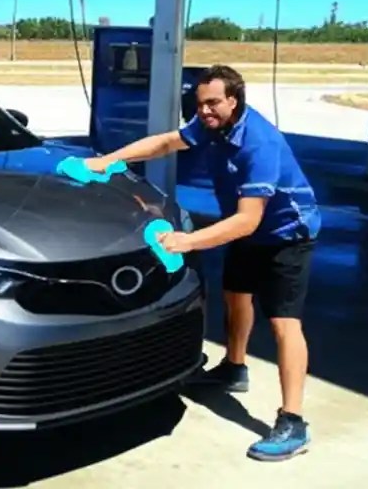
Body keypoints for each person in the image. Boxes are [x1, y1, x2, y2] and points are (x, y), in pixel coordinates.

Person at [85, 64, 320, 462]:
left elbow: (250, 219)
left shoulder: (258, 145)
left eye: (213, 103)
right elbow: (164, 144)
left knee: (284, 323)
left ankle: (293, 421)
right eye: (200, 104)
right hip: (246, 232)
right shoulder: (210, 125)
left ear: (234, 99)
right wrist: (108, 160)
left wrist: (187, 241)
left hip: (286, 236)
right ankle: (233, 367)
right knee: (235, 297)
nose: (205, 111)